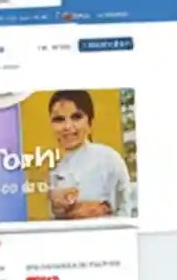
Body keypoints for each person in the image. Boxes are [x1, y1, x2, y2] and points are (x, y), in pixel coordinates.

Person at [45, 90, 132, 220]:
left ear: (90, 122)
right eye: (59, 119)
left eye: (76, 117)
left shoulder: (107, 159)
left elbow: (102, 211)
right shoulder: (56, 171)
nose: (67, 126)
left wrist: (70, 211)